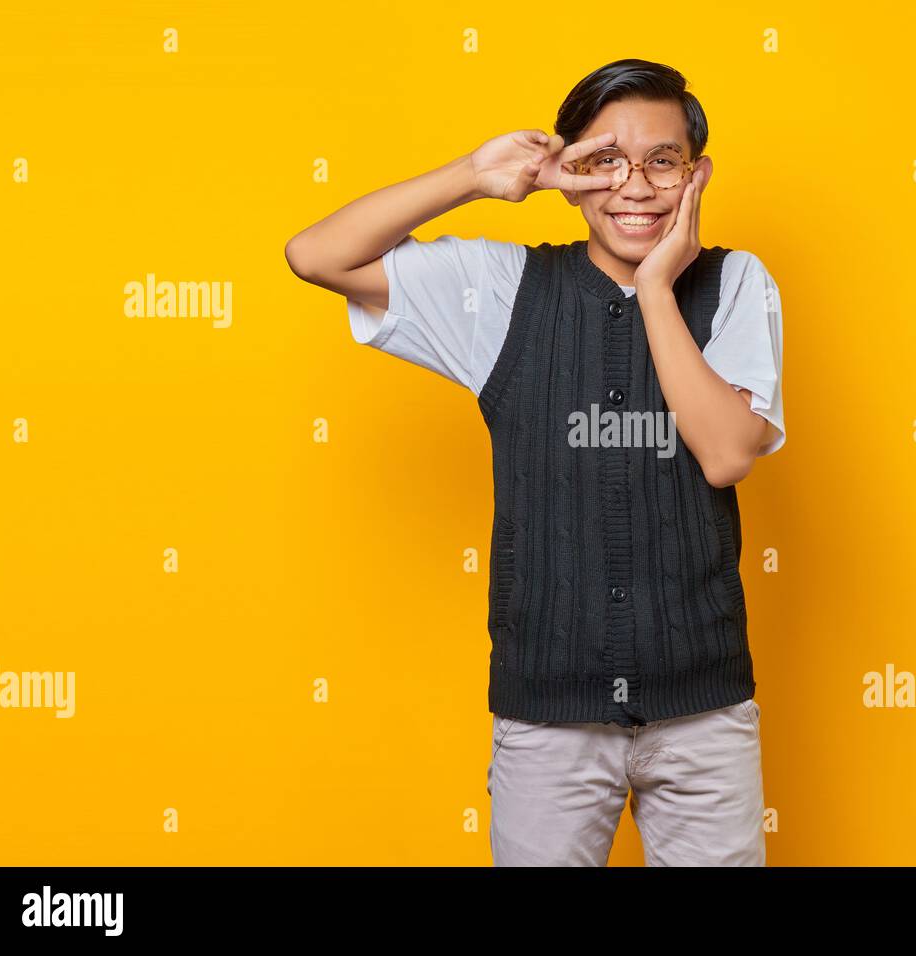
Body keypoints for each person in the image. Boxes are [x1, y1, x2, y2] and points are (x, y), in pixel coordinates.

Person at [285, 58, 785, 866]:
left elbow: (727, 455)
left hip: (704, 715)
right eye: (605, 160)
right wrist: (475, 177)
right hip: (546, 719)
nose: (634, 185)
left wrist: (658, 290)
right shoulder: (502, 289)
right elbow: (316, 255)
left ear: (697, 175)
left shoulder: (735, 283)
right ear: (571, 173)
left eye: (662, 161)